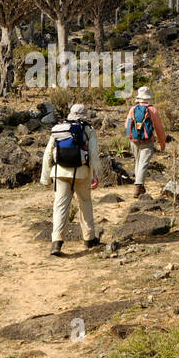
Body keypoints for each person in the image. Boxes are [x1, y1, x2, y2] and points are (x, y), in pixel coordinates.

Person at [41, 103, 103, 256]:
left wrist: (45, 178)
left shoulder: (59, 128)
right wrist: (96, 174)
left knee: (60, 206)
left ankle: (56, 242)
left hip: (60, 172)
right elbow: (93, 154)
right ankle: (89, 239)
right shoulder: (88, 130)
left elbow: (48, 153)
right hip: (81, 173)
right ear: (84, 115)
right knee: (85, 203)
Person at [124, 85, 166, 198]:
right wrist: (162, 142)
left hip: (134, 140)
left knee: (138, 161)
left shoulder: (132, 109)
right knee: (143, 162)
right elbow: (159, 128)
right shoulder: (152, 110)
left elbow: (126, 125)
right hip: (147, 140)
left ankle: (139, 184)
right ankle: (138, 186)